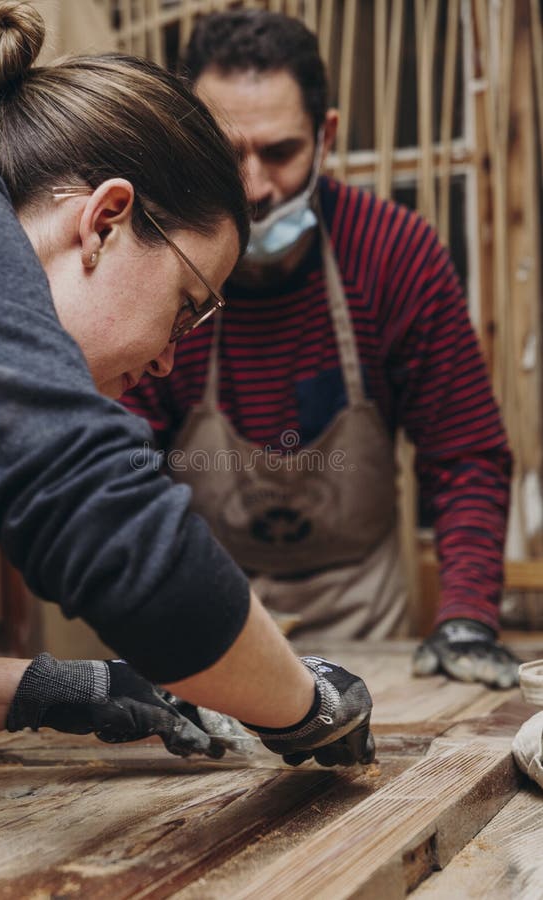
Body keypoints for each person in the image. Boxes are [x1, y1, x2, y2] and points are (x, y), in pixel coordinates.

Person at [0, 0, 375, 768]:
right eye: (185, 309)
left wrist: (52, 686)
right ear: (106, 221)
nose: (172, 360)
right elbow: (112, 523)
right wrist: (306, 704)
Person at [122, 9, 519, 689]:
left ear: (326, 136)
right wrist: (170, 628)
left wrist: (466, 617)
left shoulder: (395, 255)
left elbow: (466, 456)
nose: (252, 186)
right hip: (206, 619)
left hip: (368, 623)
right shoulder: (159, 268)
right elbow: (125, 467)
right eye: (226, 151)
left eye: (280, 152)